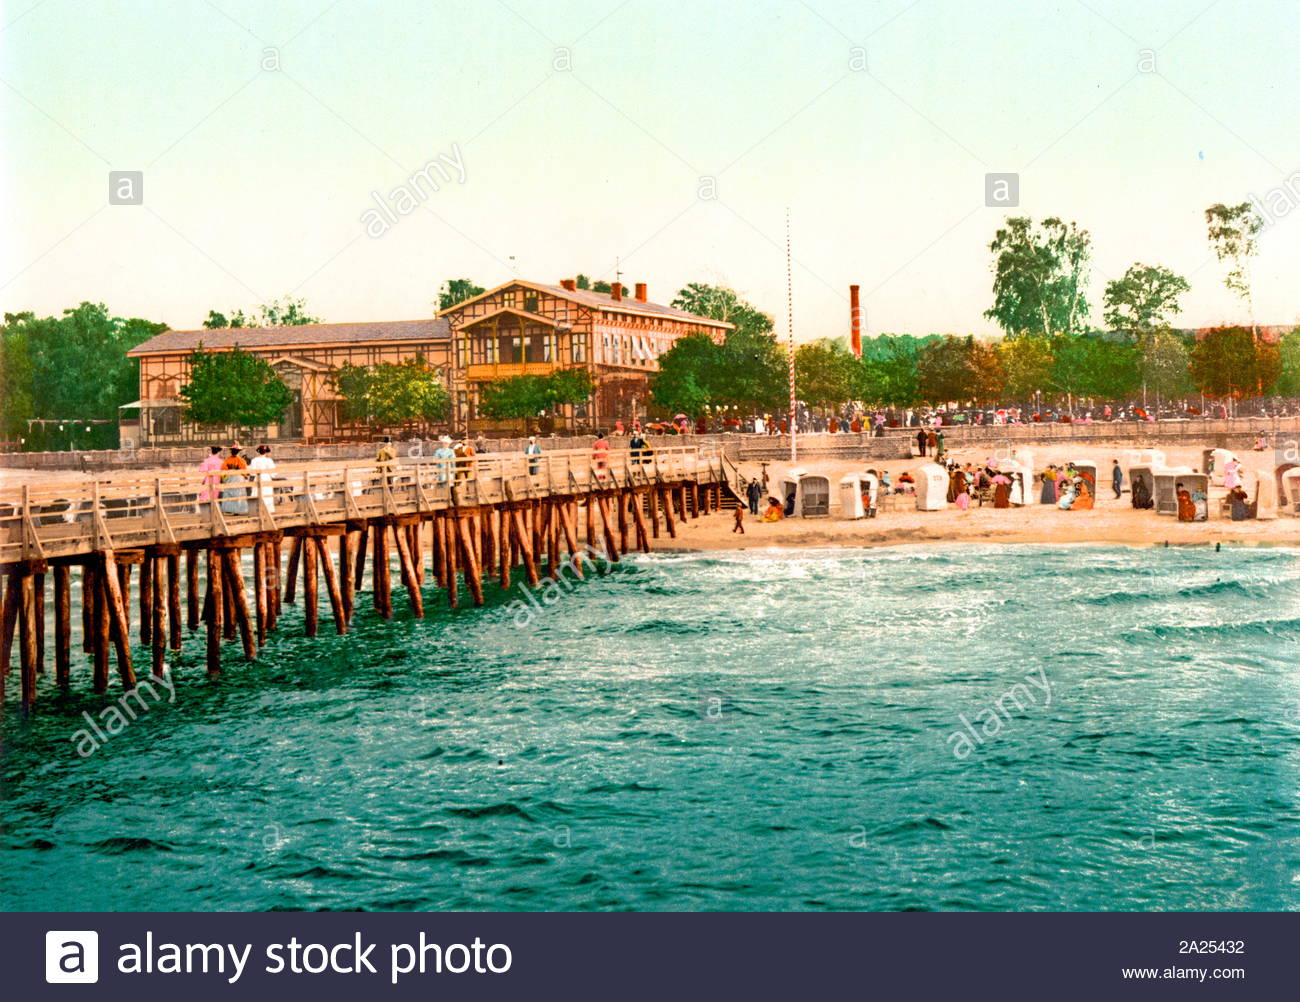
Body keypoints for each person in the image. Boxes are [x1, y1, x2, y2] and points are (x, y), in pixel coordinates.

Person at [219, 444, 249, 514]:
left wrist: (223, 479)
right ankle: (239, 510)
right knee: (239, 494)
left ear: (231, 452)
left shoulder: (227, 460)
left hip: (230, 477)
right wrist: (245, 476)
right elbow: (244, 471)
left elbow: (223, 470)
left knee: (229, 493)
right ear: (238, 452)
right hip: (239, 478)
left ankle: (229, 509)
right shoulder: (241, 460)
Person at [248, 444, 276, 512]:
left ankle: (258, 508)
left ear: (258, 452)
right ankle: (267, 509)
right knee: (267, 493)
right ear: (266, 452)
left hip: (258, 477)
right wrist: (272, 475)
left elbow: (252, 472)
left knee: (257, 492)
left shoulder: (254, 460)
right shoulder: (269, 460)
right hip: (266, 477)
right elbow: (273, 472)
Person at [197, 445, 223, 511]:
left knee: (206, 495)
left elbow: (202, 470)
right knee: (215, 495)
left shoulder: (207, 460)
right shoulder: (220, 461)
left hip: (208, 479)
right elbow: (222, 471)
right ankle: (214, 511)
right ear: (218, 452)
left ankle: (207, 511)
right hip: (217, 479)